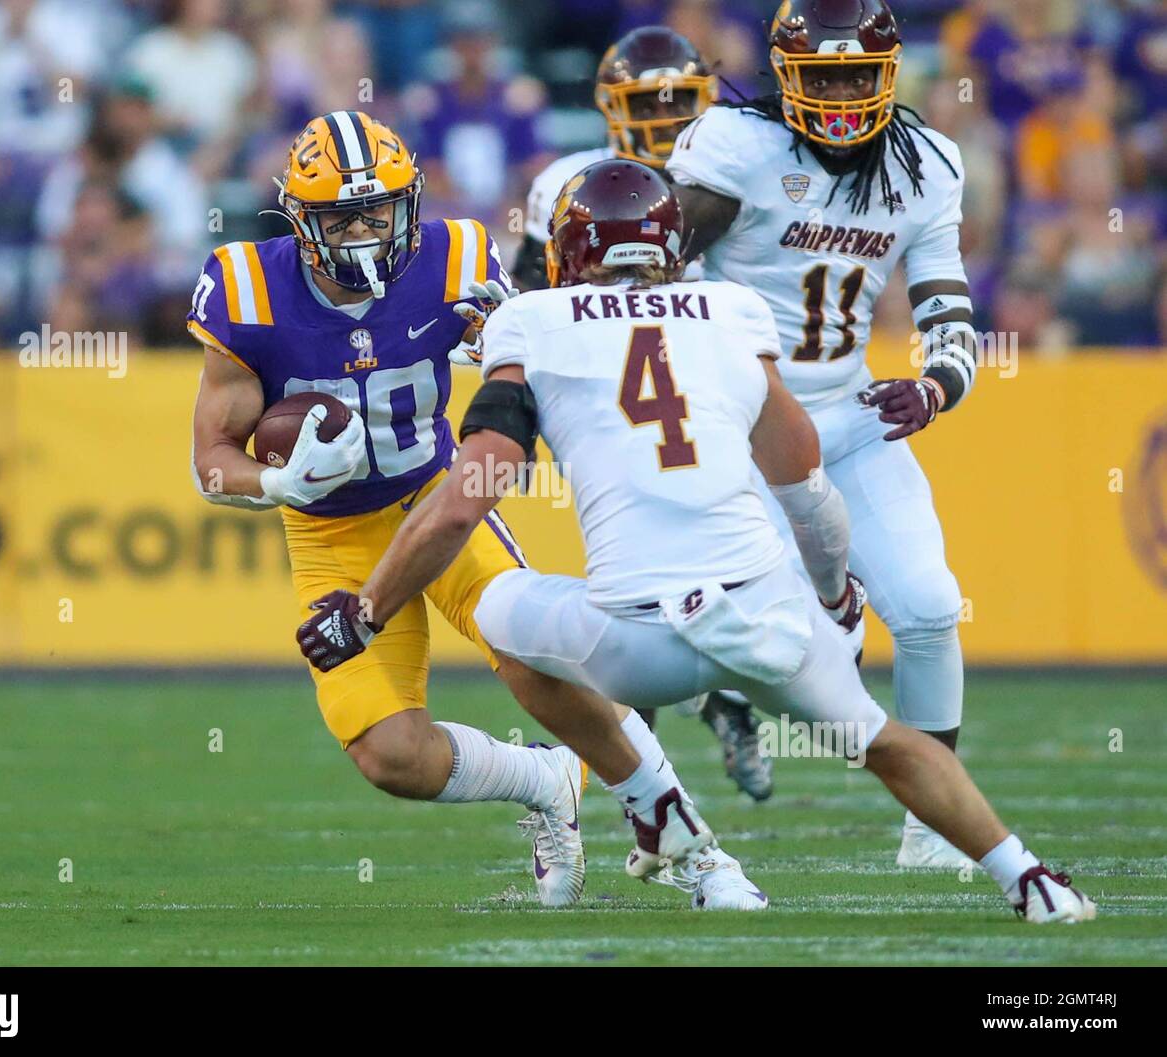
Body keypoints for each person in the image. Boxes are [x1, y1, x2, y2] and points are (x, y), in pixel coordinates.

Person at [300, 158, 1096, 925]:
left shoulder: (531, 321)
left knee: (507, 621)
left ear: (568, 255)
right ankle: (1029, 879)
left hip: (635, 643)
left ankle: (656, 805)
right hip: (767, 620)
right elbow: (806, 489)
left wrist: (366, 614)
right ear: (675, 248)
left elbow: (462, 502)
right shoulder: (731, 312)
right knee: (887, 743)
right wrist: (834, 598)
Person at [188, 111, 750, 910]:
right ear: (301, 221)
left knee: (534, 660)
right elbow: (211, 458)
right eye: (341, 217)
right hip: (330, 533)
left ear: (407, 202)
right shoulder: (247, 287)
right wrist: (275, 484)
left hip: (435, 499)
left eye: (377, 210)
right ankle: (545, 780)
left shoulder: (458, 259)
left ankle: (692, 847)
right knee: (391, 756)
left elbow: (526, 367)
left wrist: (498, 343)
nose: (364, 232)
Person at [664, 0, 978, 868]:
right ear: (785, 76)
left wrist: (937, 385)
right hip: (742, 430)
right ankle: (651, 800)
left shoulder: (925, 164)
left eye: (856, 76)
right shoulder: (738, 145)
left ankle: (937, 823)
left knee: (926, 606)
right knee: (742, 646)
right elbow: (661, 257)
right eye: (823, 77)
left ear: (888, 75)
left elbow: (947, 306)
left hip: (850, 417)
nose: (841, 95)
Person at [512, 24, 773, 801]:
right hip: (611, 394)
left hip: (702, 397)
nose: (662, 121)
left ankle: (717, 712)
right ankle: (696, 730)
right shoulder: (566, 178)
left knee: (707, 576)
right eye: (644, 106)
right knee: (638, 584)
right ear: (608, 108)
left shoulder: (723, 166)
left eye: (678, 104)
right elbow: (535, 285)